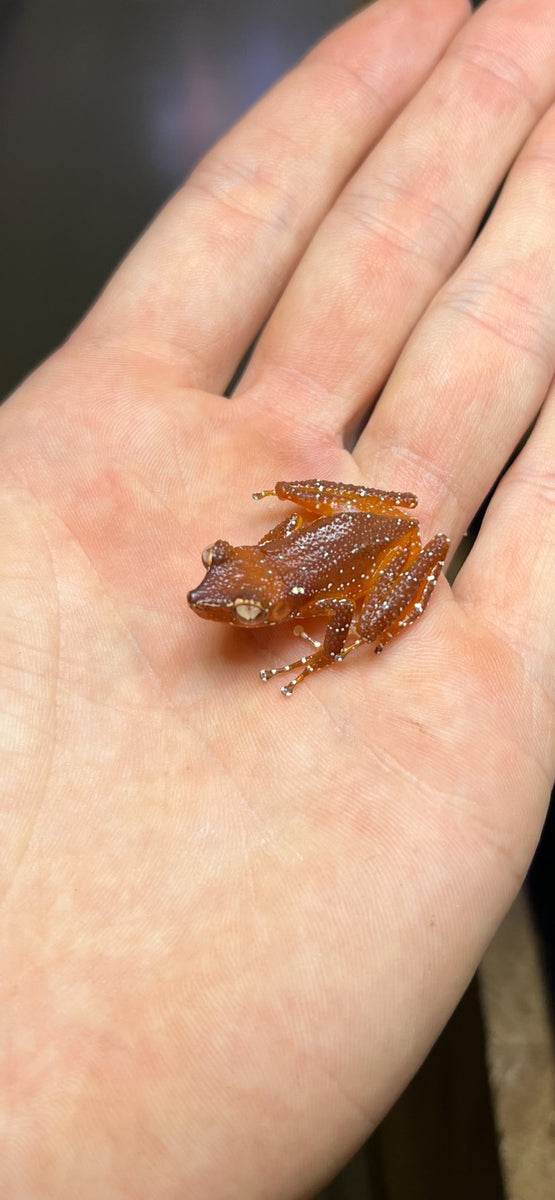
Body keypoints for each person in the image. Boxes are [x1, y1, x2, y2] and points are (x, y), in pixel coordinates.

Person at [1, 0, 553, 1195]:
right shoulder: (241, 589)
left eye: (228, 595)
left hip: (372, 551)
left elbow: (342, 597)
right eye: (225, 586)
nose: (213, 600)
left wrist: (323, 646)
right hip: (342, 524)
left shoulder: (296, 611)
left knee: (363, 610)